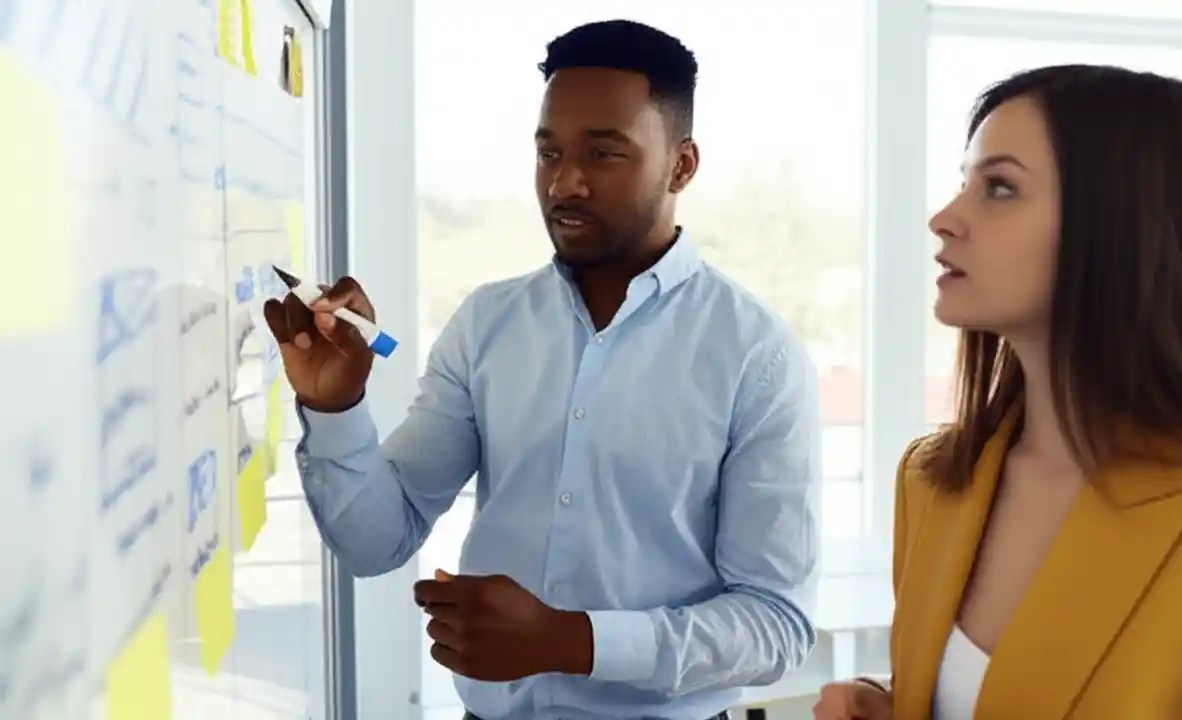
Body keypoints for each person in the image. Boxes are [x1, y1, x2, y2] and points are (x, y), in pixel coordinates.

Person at [264, 19, 821, 720]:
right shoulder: (487, 324)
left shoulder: (757, 356)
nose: (566, 182)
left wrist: (571, 640)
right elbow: (378, 540)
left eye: (604, 153)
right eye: (548, 152)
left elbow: (776, 625)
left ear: (682, 165)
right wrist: (337, 409)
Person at [815, 64, 1182, 720]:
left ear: (1121, 221)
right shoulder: (932, 481)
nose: (944, 218)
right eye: (964, 182)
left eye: (1000, 188)